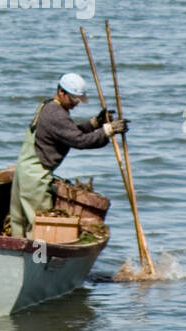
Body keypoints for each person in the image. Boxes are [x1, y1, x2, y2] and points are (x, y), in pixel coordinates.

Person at [9, 72, 128, 238]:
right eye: (73, 99)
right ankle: (38, 260)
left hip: (26, 171)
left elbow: (69, 132)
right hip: (35, 177)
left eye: (78, 99)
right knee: (40, 227)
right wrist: (108, 130)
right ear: (61, 92)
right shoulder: (56, 114)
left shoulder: (50, 106)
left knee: (20, 223)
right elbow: (80, 141)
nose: (76, 103)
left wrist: (95, 123)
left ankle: (21, 256)